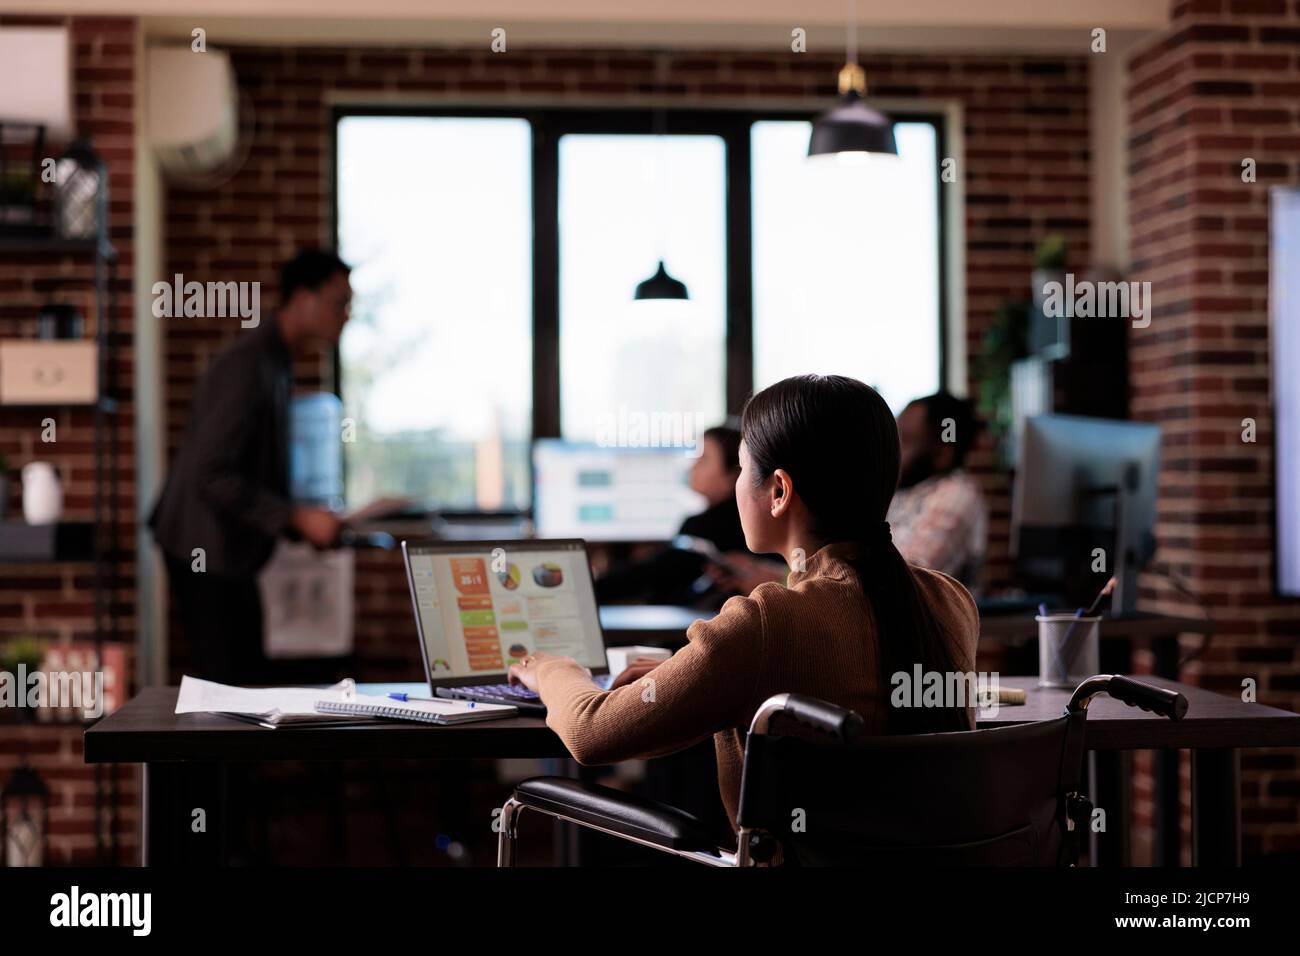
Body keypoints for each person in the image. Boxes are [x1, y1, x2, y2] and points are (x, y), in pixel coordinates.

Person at [507, 374, 980, 839]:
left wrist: (551, 668)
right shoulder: (950, 601)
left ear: (778, 490)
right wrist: (685, 669)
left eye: (740, 466)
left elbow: (590, 733)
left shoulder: (763, 624)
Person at [150, 250, 352, 683]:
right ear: (303, 298)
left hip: (226, 551)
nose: (346, 316)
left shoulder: (275, 360)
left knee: (245, 685)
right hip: (202, 548)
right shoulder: (249, 363)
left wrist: (300, 523)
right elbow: (211, 472)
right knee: (228, 698)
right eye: (339, 303)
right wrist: (297, 517)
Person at [594, 423, 747, 607]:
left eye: (704, 459)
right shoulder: (739, 521)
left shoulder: (705, 527)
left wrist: (591, 586)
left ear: (733, 474)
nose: (693, 466)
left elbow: (650, 575)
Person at [889, 391, 988, 589]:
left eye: (904, 440)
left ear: (943, 454)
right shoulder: (904, 490)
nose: (891, 450)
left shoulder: (956, 494)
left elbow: (907, 575)